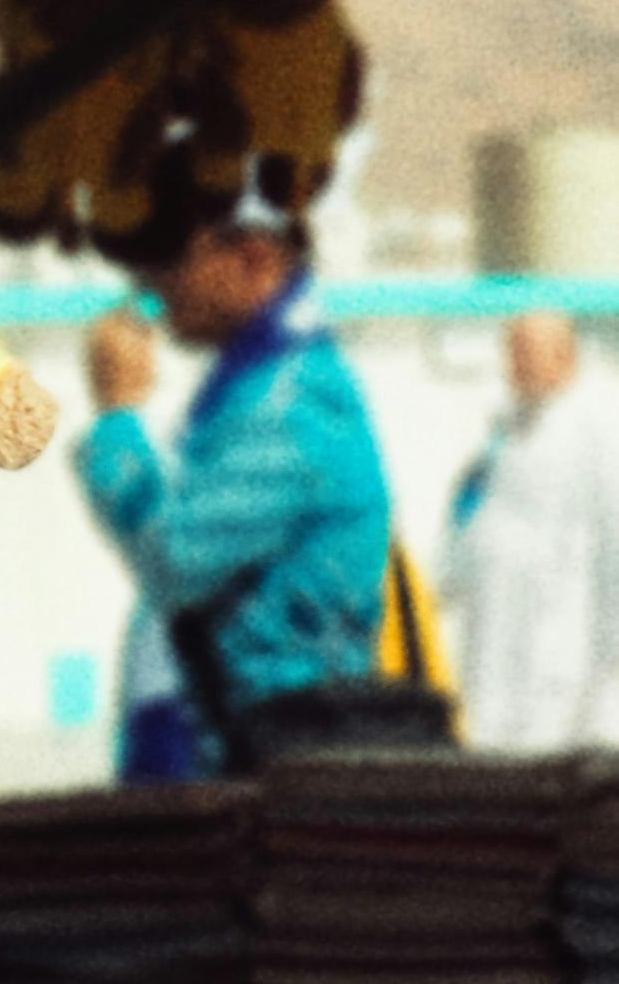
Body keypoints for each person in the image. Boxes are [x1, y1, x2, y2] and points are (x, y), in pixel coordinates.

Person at [77, 206, 391, 771]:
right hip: (255, 747)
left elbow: (176, 557)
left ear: (252, 256)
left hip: (275, 765)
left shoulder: (293, 406)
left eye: (170, 262)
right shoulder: (261, 388)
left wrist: (117, 418)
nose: (150, 287)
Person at [441, 312, 619, 752]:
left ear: (567, 355)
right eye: (514, 351)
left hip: (559, 653)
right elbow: (470, 521)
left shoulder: (598, 430)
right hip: (495, 643)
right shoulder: (505, 428)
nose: (521, 362)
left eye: (532, 351)